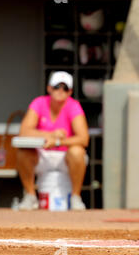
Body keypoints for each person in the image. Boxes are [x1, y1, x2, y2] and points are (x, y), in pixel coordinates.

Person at [16, 71, 89, 210]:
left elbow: (83, 138)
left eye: (65, 88)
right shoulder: (39, 103)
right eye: (57, 87)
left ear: (70, 92)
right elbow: (24, 131)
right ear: (49, 88)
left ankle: (75, 197)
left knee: (78, 152)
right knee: (23, 152)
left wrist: (57, 142)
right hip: (42, 156)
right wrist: (50, 135)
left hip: (64, 158)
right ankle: (31, 196)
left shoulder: (74, 106)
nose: (60, 91)